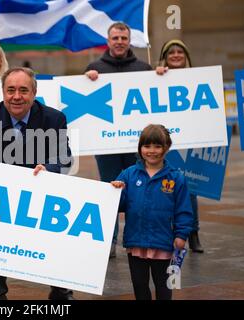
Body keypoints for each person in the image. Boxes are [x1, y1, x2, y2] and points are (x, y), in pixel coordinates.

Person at [0, 67, 74, 300]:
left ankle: (61, 292)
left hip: (40, 199)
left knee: (56, 260)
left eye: (23, 90)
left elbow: (63, 157)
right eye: (11, 90)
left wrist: (48, 168)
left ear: (34, 93)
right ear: (3, 92)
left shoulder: (54, 119)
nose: (16, 96)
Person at [85, 22, 152, 258]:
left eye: (124, 38)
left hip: (137, 147)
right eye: (116, 38)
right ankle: (109, 241)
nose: (120, 42)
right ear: (108, 40)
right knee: (110, 192)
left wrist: (162, 76)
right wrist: (86, 79)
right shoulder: (95, 68)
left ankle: (137, 239)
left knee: (138, 192)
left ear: (129, 40)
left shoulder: (145, 68)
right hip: (107, 147)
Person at [111, 124, 193, 300]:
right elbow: (118, 206)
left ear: (167, 147)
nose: (152, 151)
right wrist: (116, 192)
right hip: (136, 243)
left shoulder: (176, 178)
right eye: (147, 146)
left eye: (157, 146)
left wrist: (181, 235)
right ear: (140, 148)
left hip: (165, 243)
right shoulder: (128, 175)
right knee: (140, 288)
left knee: (164, 288)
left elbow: (183, 209)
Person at [156, 39, 204, 253]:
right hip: (163, 144)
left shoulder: (198, 79)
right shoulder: (155, 77)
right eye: (171, 52)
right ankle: (165, 232)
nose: (176, 55)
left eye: (180, 52)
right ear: (164, 57)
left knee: (190, 189)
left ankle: (192, 232)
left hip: (189, 143)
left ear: (186, 56)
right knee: (162, 190)